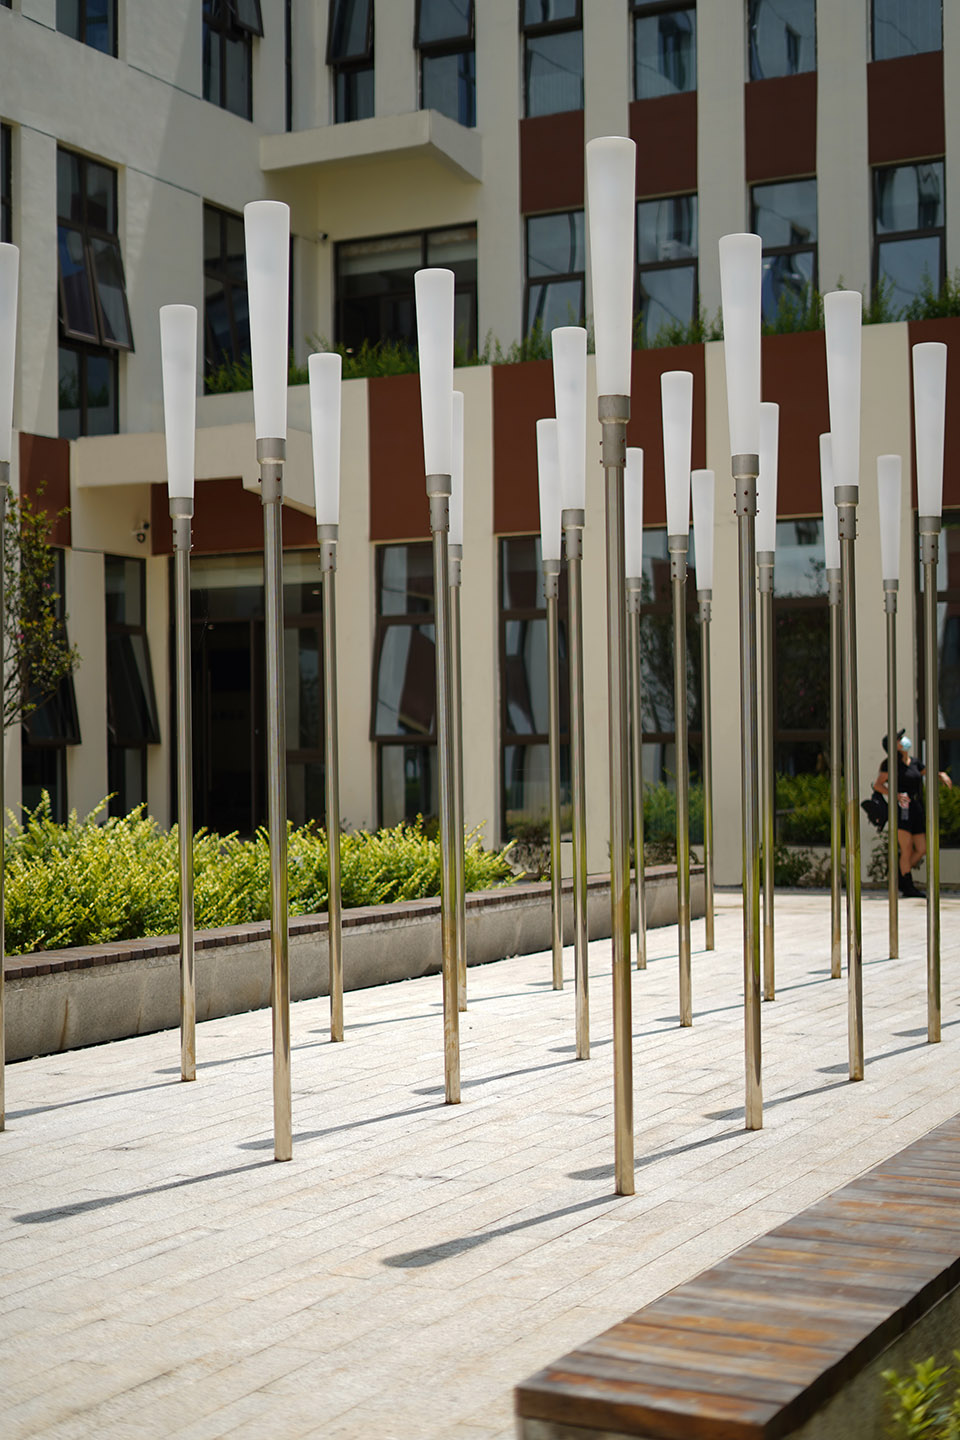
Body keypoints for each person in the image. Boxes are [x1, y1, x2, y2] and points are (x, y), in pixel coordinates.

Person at [873, 729, 953, 898]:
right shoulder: (890, 764)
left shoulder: (915, 762)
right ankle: (907, 886)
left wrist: (942, 775)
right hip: (902, 808)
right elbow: (878, 785)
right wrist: (894, 794)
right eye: (900, 739)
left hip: (916, 807)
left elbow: (927, 773)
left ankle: (901, 875)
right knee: (907, 847)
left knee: (922, 848)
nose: (904, 740)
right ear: (893, 746)